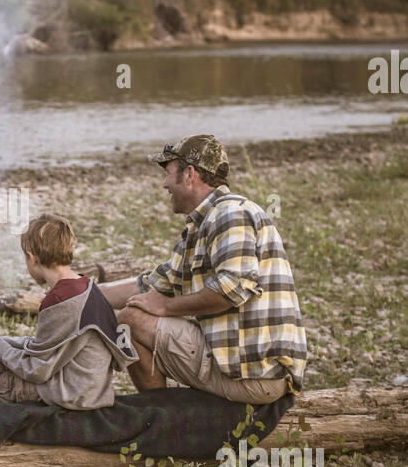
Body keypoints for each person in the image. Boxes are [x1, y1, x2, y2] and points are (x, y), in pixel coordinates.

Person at [102, 135, 306, 402]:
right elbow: (152, 285)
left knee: (130, 321)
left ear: (189, 174)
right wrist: (82, 292)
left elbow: (231, 290)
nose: (164, 184)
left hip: (257, 373)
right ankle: (165, 415)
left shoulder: (230, 214)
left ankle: (161, 420)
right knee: (135, 312)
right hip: (242, 365)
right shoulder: (202, 223)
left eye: (168, 174)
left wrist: (165, 307)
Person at [0, 213, 137, 409]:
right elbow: (48, 347)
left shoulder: (61, 300)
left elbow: (37, 369)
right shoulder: (86, 286)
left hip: (73, 395)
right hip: (90, 387)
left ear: (31, 257)